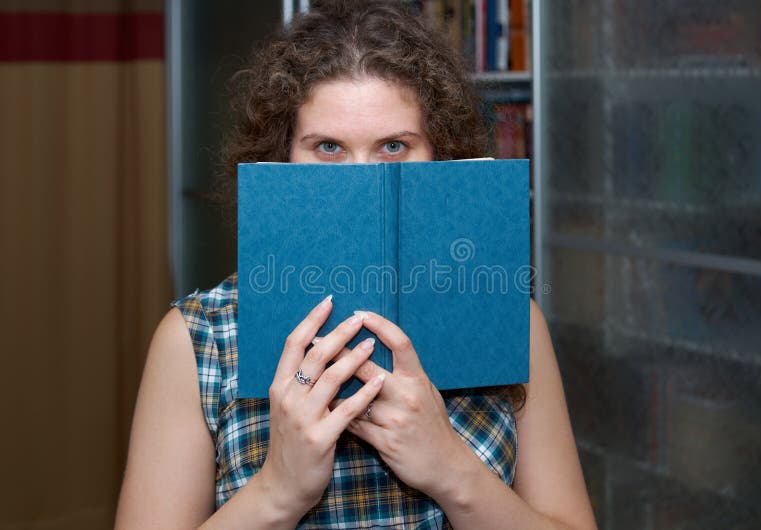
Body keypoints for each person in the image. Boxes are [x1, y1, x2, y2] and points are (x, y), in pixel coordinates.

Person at [115, 1, 597, 528]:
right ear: (281, 158)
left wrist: (452, 471)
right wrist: (279, 490)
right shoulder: (197, 339)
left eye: (394, 146)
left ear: (440, 157)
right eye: (328, 147)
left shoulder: (511, 321)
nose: (362, 181)